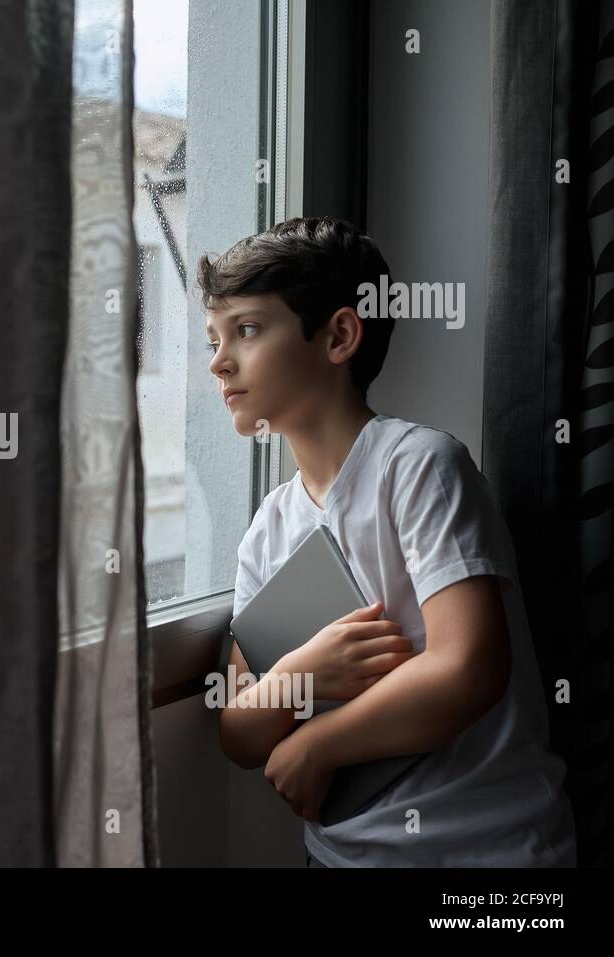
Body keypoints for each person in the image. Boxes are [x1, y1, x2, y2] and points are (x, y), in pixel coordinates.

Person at [206, 217, 576, 867]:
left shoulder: (420, 466)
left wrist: (318, 744)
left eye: (247, 329)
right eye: (215, 337)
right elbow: (238, 731)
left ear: (340, 335)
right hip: (342, 856)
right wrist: (301, 672)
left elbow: (468, 669)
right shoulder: (269, 528)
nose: (218, 361)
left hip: (488, 854)